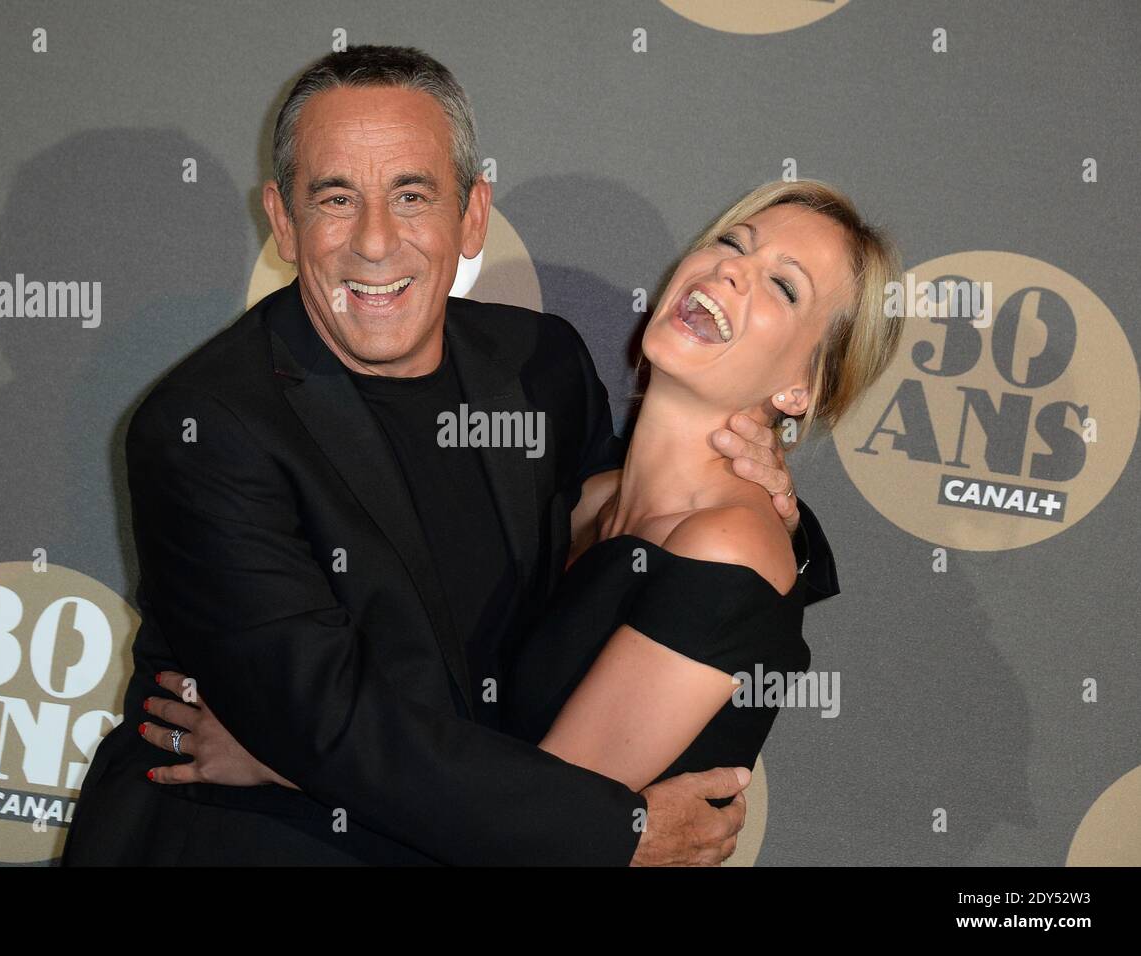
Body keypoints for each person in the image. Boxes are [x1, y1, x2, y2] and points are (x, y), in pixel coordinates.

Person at [62, 45, 837, 867]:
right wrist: (619, 831)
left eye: (411, 195)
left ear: (472, 215)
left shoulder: (540, 364)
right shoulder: (206, 429)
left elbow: (642, 523)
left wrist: (773, 518)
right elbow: (327, 728)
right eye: (335, 198)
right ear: (283, 222)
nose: (374, 241)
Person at [137, 179, 903, 844]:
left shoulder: (730, 548)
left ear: (801, 389)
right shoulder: (585, 486)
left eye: (784, 286)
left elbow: (542, 818)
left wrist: (281, 764)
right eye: (733, 242)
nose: (734, 270)